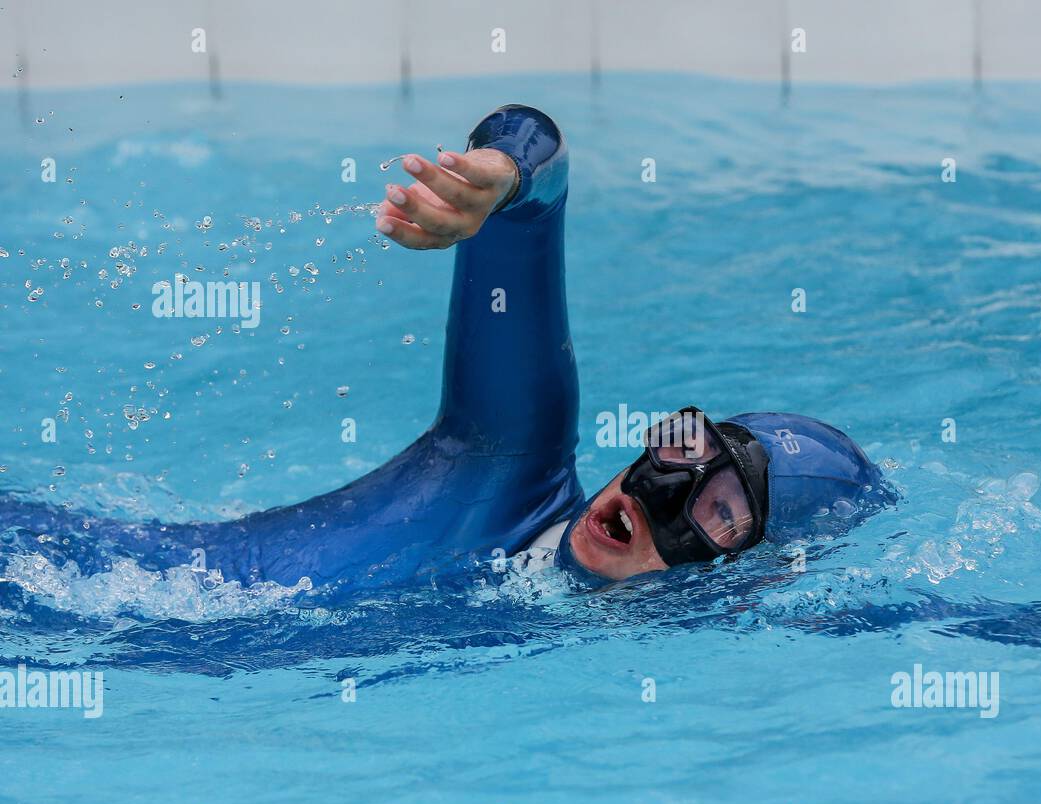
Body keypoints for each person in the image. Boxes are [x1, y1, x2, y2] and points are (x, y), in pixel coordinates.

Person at [1, 105, 895, 596]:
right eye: (684, 447)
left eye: (721, 510)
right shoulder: (505, 467)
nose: (662, 488)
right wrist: (499, 184)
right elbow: (533, 150)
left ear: (742, 577)